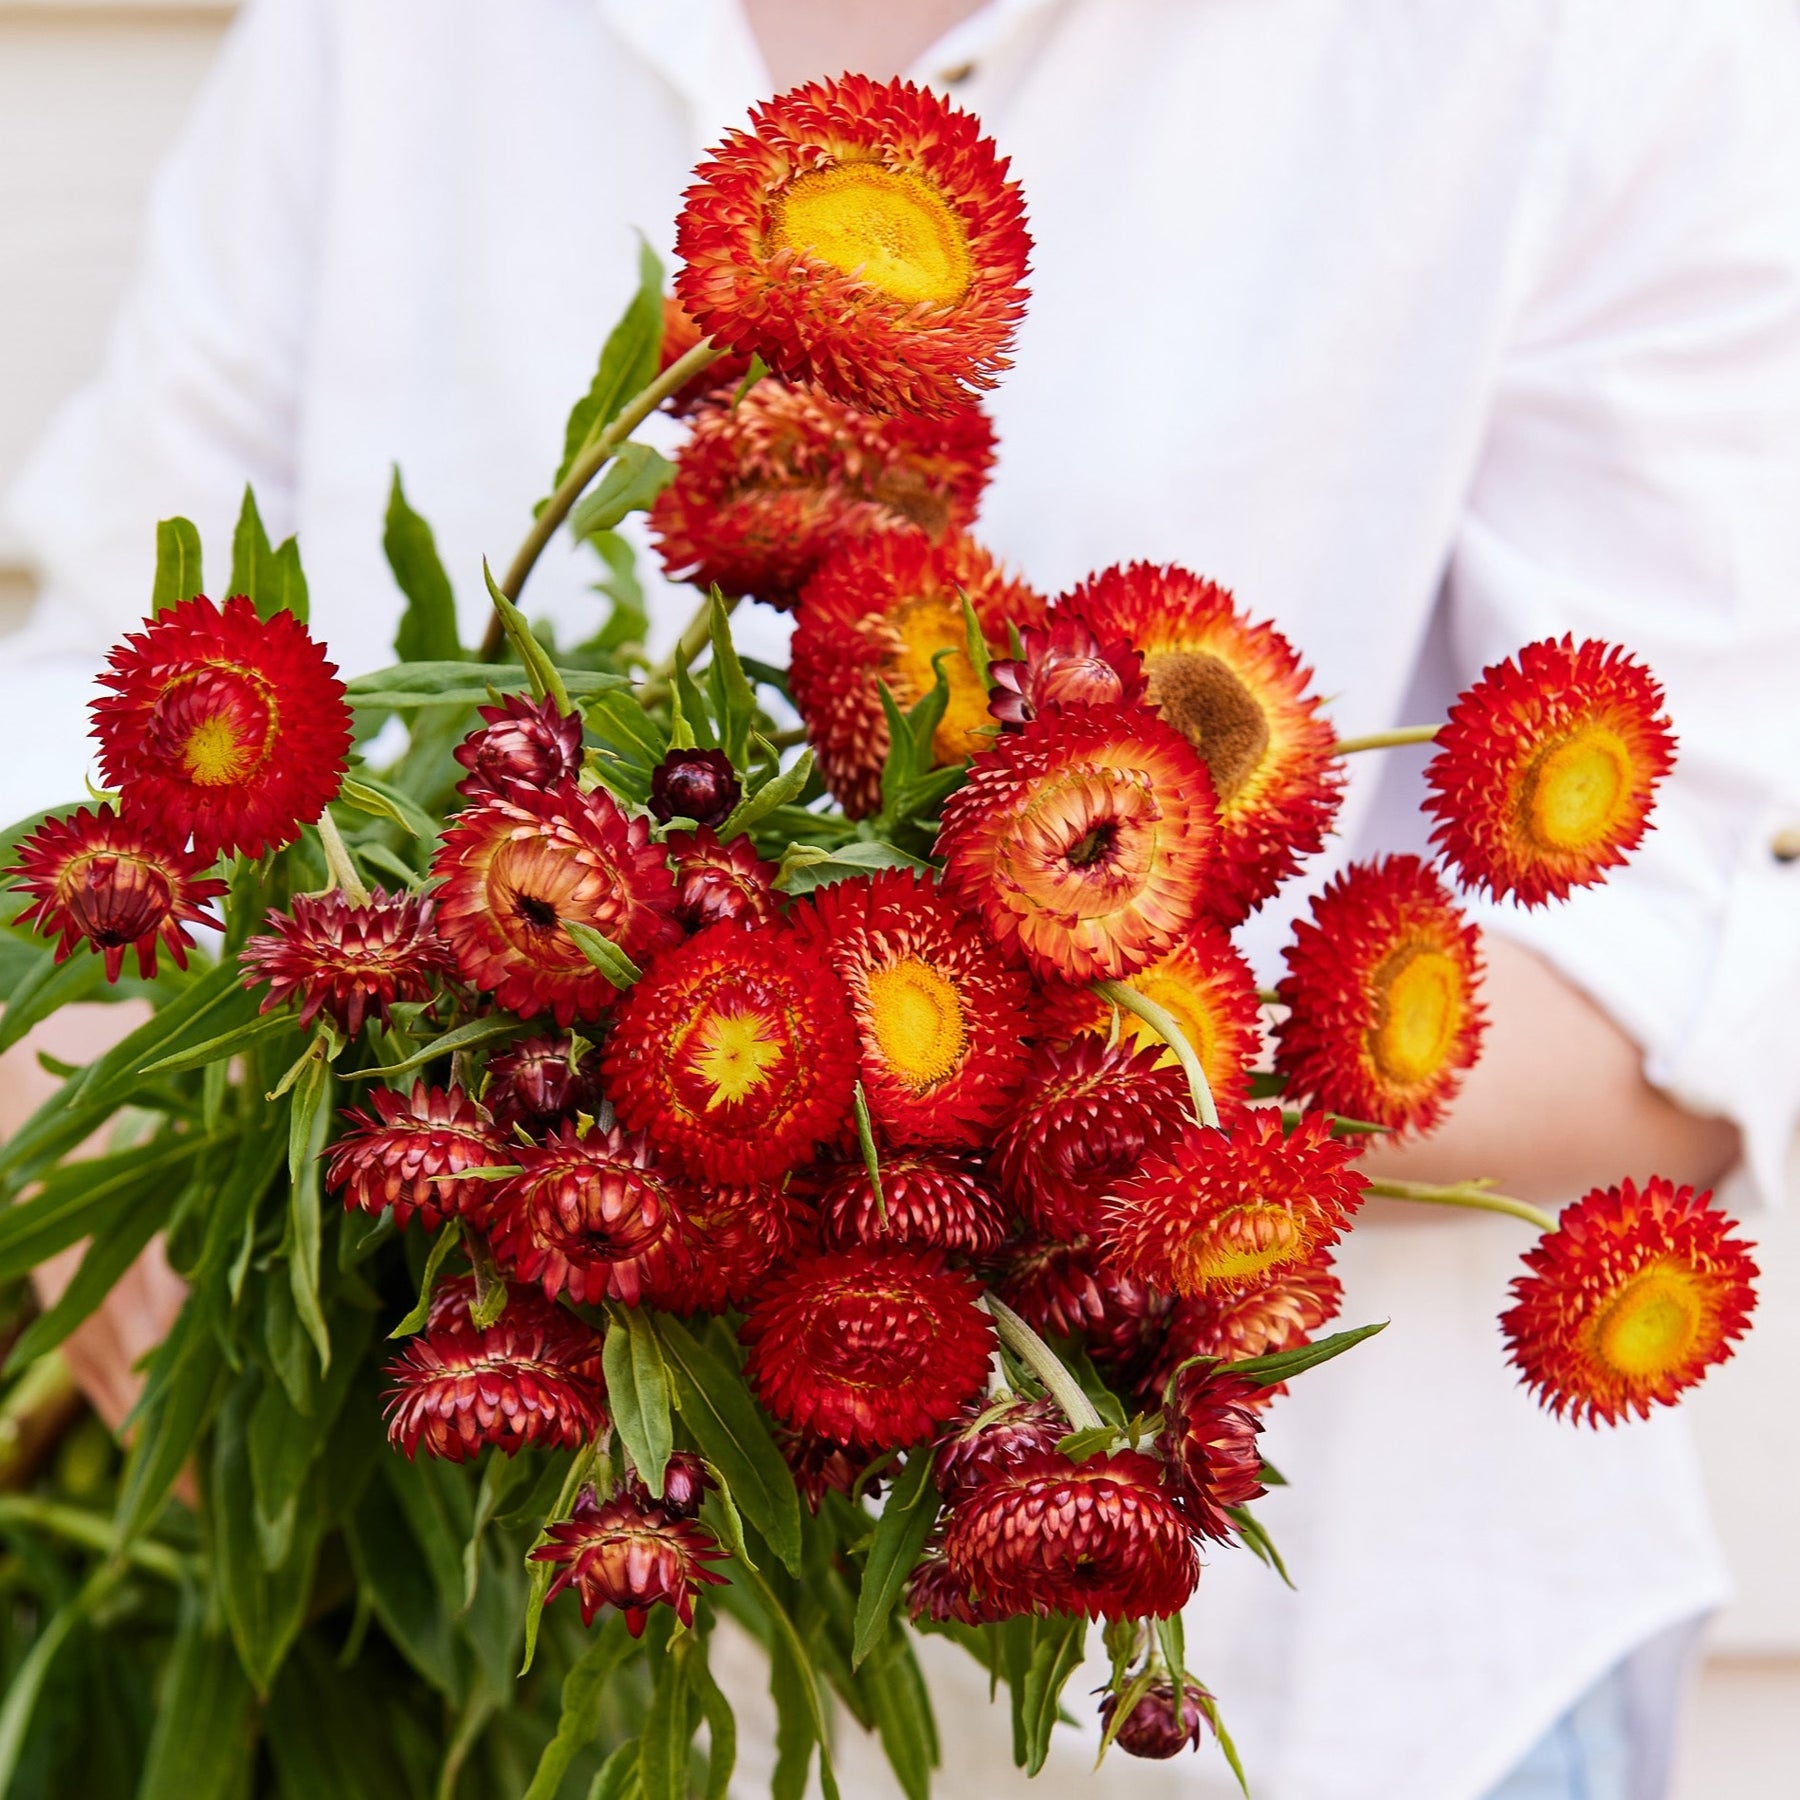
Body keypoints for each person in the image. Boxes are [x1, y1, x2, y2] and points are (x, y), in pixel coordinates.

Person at [4, 2, 1800, 1795]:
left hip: (1347, 1700)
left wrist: (944, 1102)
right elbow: (96, 666)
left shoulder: (1581, 45)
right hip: (460, 1657)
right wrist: (86, 1105)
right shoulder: (378, 38)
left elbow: (1690, 954)